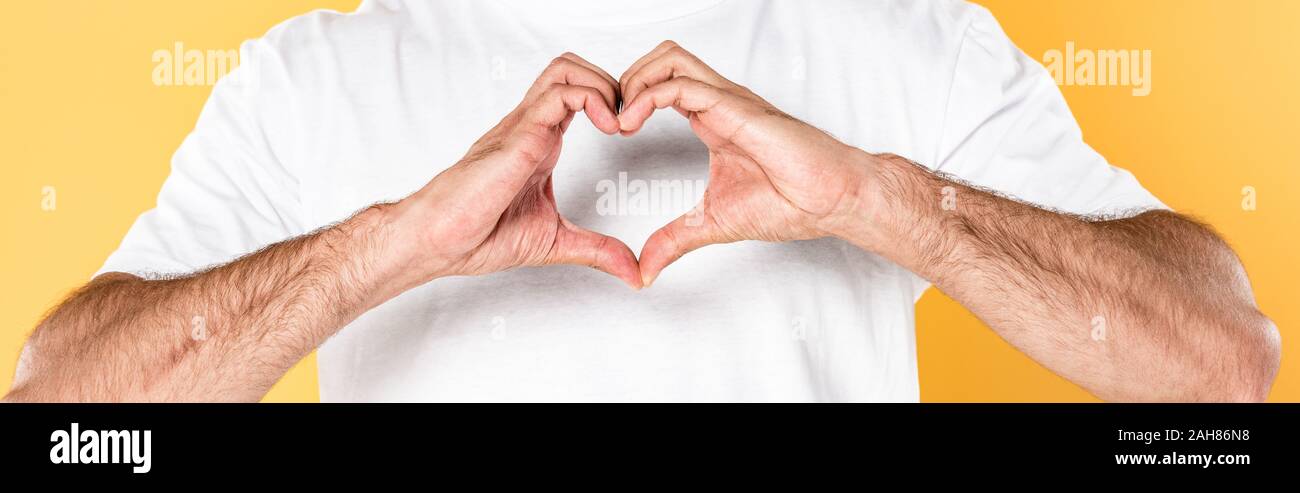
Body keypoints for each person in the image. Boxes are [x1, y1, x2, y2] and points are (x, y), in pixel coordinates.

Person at [4, 0, 1279, 402]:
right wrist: (385, 249)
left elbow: (1221, 371)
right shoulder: (309, 76)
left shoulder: (907, 40)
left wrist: (888, 203)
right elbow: (62, 423)